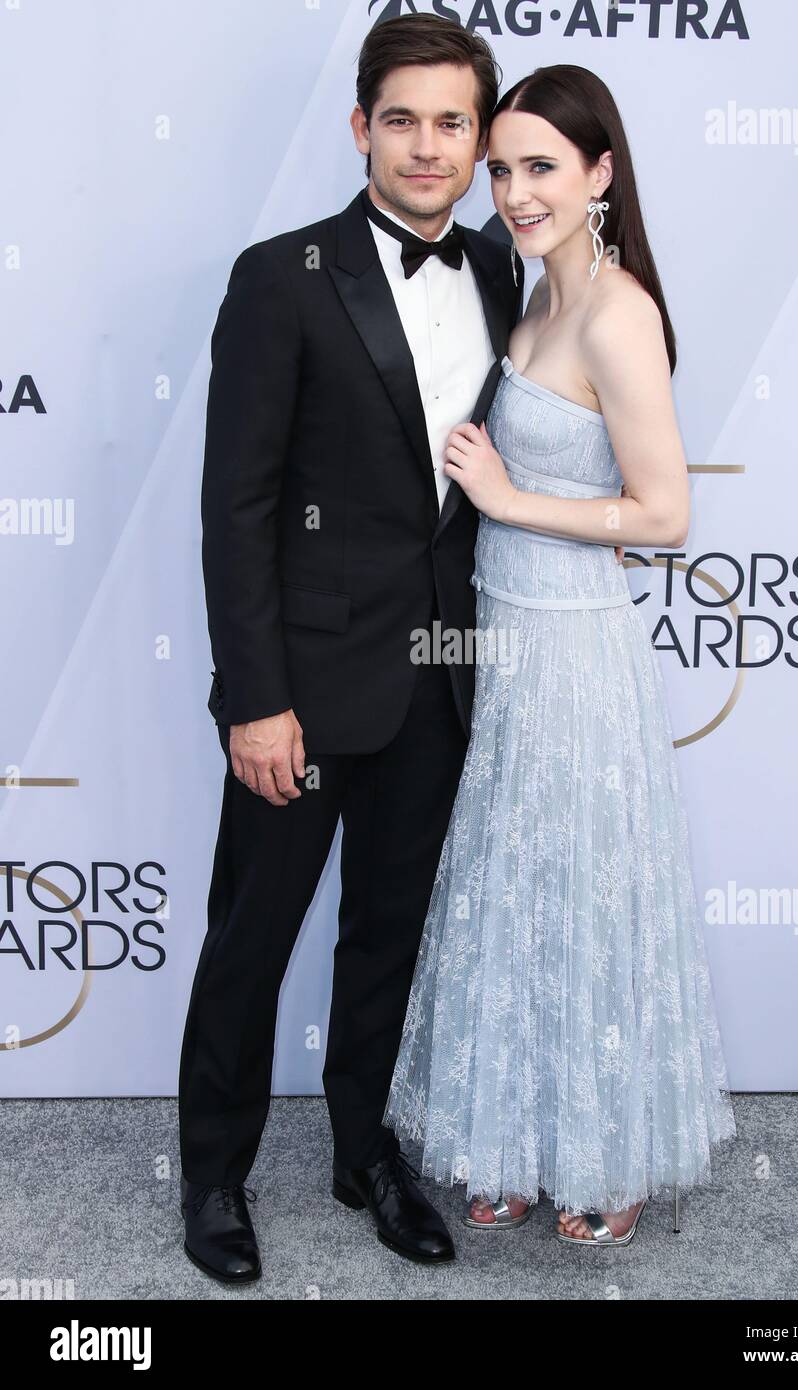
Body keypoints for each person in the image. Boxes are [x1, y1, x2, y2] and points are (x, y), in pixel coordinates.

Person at [177, 13, 523, 1279]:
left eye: (451, 123)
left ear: (477, 137)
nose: (426, 147)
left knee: (388, 931)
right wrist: (256, 698)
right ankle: (212, 1177)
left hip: (438, 681)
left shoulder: (498, 270)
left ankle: (363, 1150)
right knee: (252, 938)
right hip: (305, 694)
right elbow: (238, 505)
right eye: (402, 119)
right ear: (359, 126)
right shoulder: (283, 274)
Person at [384, 64, 737, 1247]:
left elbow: (664, 515)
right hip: (507, 646)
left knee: (585, 896)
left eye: (542, 166)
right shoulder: (529, 296)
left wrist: (507, 494)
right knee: (516, 894)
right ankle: (526, 1141)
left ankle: (611, 1158)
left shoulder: (616, 311)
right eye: (502, 168)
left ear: (600, 173)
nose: (515, 189)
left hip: (578, 658)